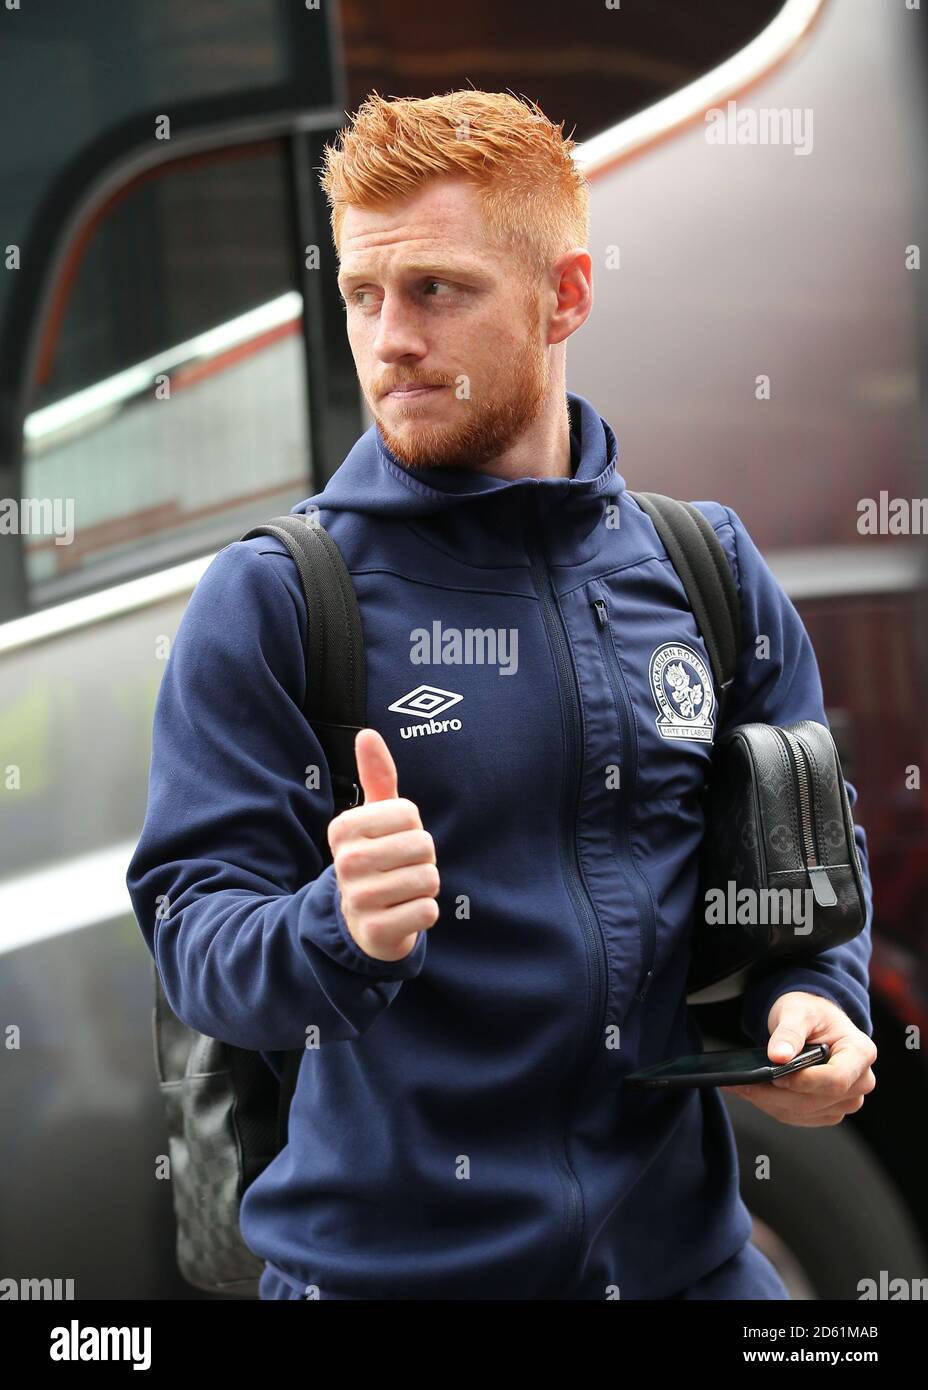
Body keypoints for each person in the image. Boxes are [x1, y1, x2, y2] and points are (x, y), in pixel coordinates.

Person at [126, 89, 877, 1301]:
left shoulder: (707, 569)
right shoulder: (275, 599)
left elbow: (810, 866)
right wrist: (339, 924)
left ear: (565, 295)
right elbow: (195, 943)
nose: (390, 340)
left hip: (691, 1271)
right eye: (364, 295)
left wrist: (814, 1006)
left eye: (436, 289)